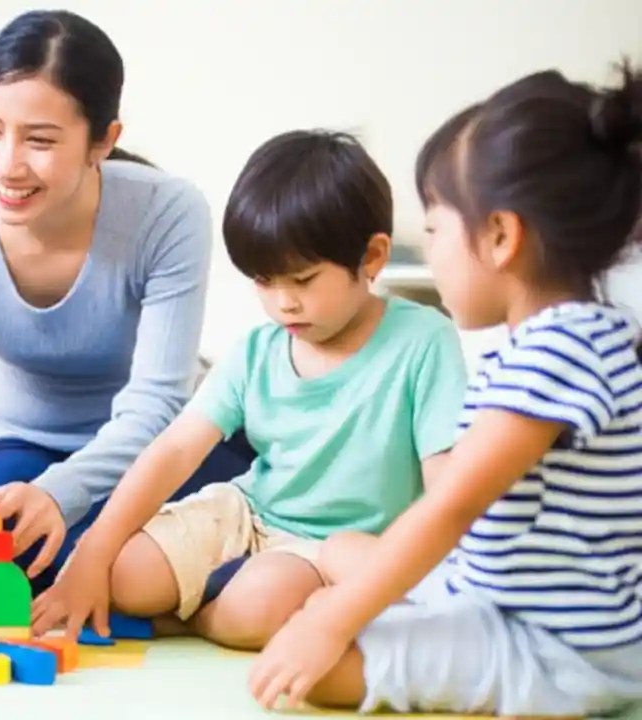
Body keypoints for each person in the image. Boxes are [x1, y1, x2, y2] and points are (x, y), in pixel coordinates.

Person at [249, 65, 642, 717]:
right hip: (497, 589)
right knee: (343, 552)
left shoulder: (559, 348)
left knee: (315, 662)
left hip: (554, 648)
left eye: (433, 229)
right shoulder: (558, 337)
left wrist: (330, 625)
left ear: (499, 236)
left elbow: (451, 507)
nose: (428, 251)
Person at [35, 130, 469, 650]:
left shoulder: (424, 340)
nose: (283, 304)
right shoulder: (260, 348)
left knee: (257, 606)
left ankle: (200, 619)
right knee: (124, 575)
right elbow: (175, 450)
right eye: (265, 282)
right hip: (249, 512)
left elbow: (447, 481)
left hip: (339, 545)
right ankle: (215, 595)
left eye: (303, 281)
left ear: (372, 257)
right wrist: (94, 553)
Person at [0, 9, 254, 593]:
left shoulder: (167, 213)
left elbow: (157, 404)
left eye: (39, 140)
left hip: (162, 450)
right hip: (25, 446)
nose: (7, 164)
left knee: (206, 538)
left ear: (104, 141)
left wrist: (60, 495)